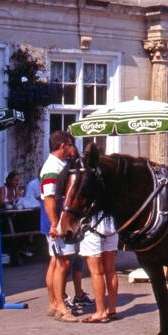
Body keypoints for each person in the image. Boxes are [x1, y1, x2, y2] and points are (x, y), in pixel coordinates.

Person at [41, 131, 81, 322]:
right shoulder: (52, 167)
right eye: (70, 145)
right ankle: (62, 307)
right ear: (63, 145)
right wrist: (55, 223)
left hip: (55, 219)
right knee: (63, 262)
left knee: (55, 261)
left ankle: (53, 303)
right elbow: (48, 198)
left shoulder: (57, 165)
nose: (72, 149)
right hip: (58, 220)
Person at [78, 207, 119, 323]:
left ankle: (100, 311)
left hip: (92, 228)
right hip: (111, 227)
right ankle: (111, 309)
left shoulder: (86, 188)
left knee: (96, 272)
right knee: (111, 270)